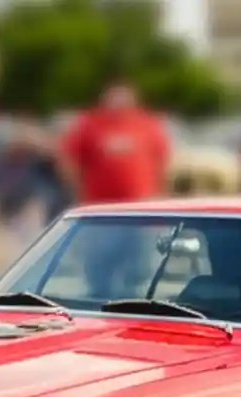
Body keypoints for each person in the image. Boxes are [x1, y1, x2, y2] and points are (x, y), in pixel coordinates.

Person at [60, 80, 171, 300]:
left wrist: (161, 198)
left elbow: (162, 162)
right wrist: (77, 193)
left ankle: (133, 303)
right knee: (99, 267)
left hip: (142, 213)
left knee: (139, 268)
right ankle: (99, 301)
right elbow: (69, 161)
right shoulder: (89, 124)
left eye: (124, 97)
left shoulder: (148, 125)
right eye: (114, 97)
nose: (119, 102)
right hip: (102, 212)